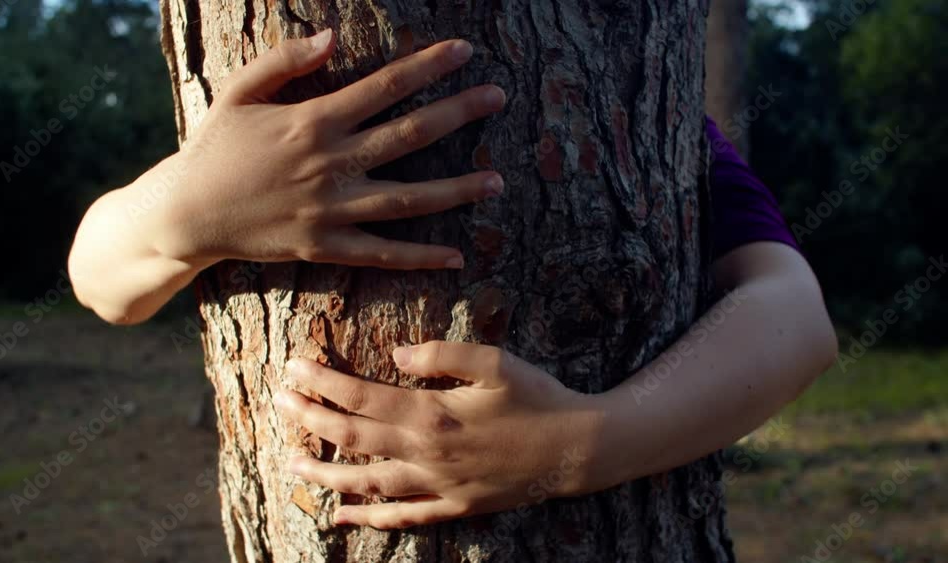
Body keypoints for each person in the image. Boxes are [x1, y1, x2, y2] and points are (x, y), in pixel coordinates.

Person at [68, 30, 837, 529]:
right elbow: (99, 280)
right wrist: (186, 211)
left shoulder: (647, 125)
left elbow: (797, 315)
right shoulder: (257, 112)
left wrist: (581, 444)